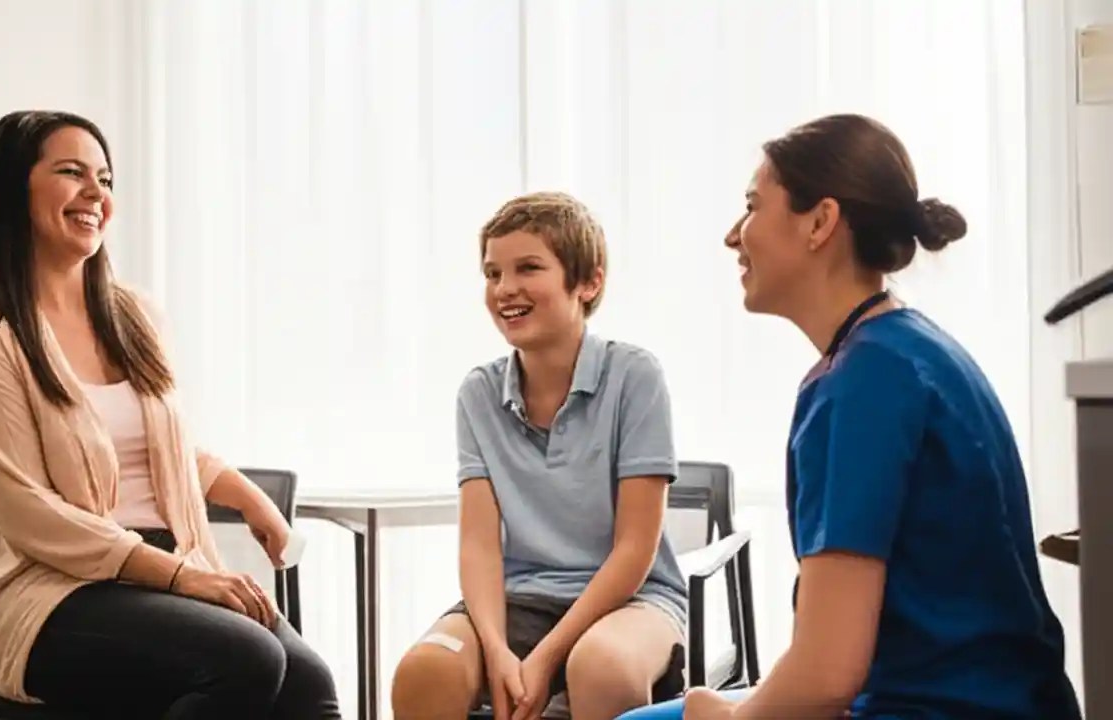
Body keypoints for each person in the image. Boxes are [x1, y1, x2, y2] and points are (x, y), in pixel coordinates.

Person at [618, 114, 1082, 719]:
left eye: (753, 206)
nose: (735, 235)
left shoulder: (861, 387)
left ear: (820, 222)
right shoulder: (907, 350)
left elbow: (826, 677)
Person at [0, 110, 340, 719]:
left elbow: (167, 447)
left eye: (105, 179)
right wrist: (181, 579)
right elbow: (23, 507)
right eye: (71, 173)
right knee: (247, 660)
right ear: (11, 189)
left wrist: (251, 501)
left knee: (309, 680)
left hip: (168, 570)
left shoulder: (133, 314)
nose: (95, 194)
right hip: (55, 596)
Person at [390, 192, 691, 720]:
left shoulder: (635, 377)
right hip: (519, 600)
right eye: (492, 273)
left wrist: (550, 654)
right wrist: (497, 649)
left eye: (528, 268)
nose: (505, 290)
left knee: (600, 667)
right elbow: (480, 547)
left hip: (631, 603)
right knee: (425, 670)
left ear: (588, 282)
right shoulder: (478, 393)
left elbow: (635, 548)